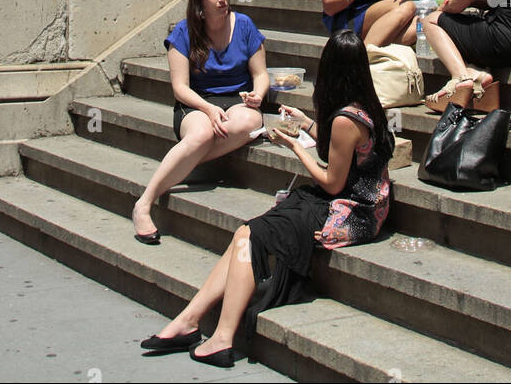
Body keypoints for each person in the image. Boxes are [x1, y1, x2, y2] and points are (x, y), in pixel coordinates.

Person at [140, 31, 392, 366]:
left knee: (249, 235)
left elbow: (332, 182)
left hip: (349, 212)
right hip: (353, 199)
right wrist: (306, 125)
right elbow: (342, 153)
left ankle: (222, 338)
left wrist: (292, 147)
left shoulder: (346, 119)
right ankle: (188, 320)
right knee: (245, 234)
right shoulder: (363, 106)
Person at [130, 0, 269, 244]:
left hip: (236, 99)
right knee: (202, 133)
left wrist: (258, 94)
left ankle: (185, 160)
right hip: (195, 101)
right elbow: (180, 88)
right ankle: (144, 203)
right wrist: (207, 108)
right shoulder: (183, 33)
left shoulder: (244, 25)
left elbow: (261, 74)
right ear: (199, 1)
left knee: (251, 123)